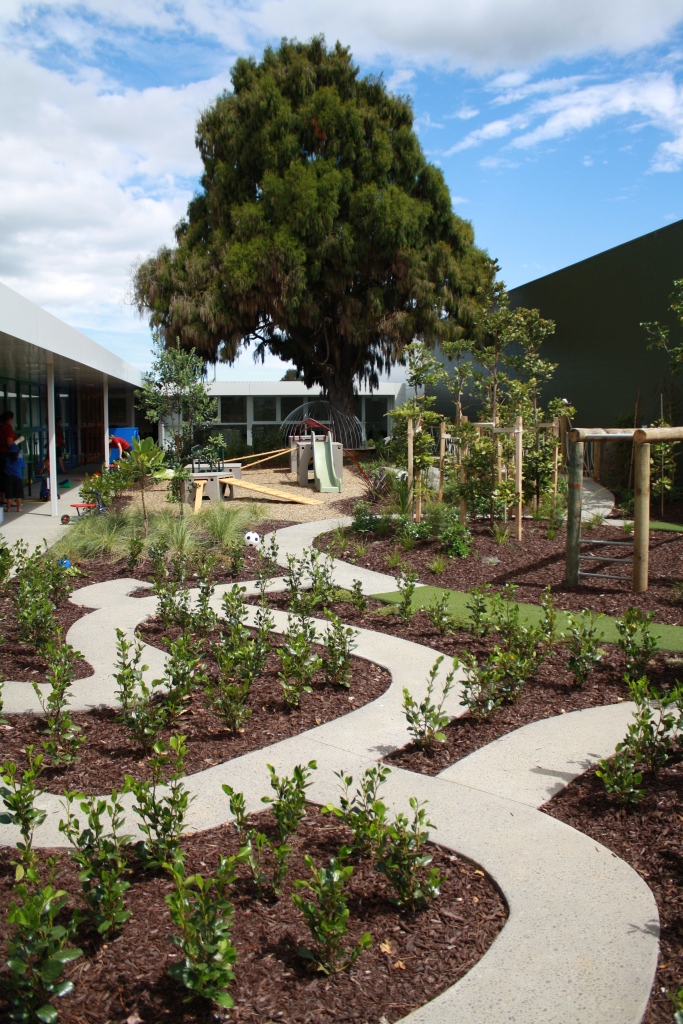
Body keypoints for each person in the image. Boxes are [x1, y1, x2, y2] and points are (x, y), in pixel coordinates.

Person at [0, 410, 17, 504]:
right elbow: (9, 443)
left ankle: (3, 497)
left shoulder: (1, 427)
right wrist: (17, 441)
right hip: (6, 454)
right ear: (10, 419)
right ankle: (7, 498)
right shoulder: (7, 428)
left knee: (2, 476)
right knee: (7, 477)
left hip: (1, 454)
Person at [4, 442, 25, 513]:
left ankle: (8, 509)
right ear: (18, 452)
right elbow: (23, 467)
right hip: (18, 478)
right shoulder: (20, 460)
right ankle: (19, 508)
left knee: (9, 495)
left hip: (9, 478)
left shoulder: (6, 459)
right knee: (18, 495)